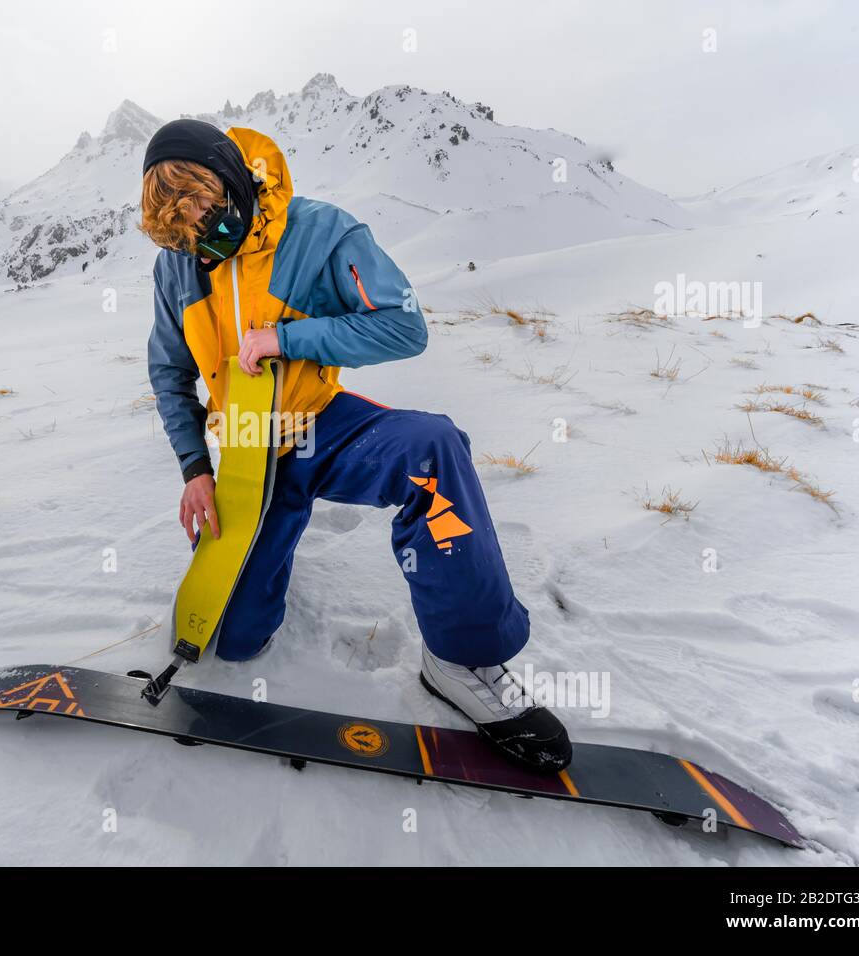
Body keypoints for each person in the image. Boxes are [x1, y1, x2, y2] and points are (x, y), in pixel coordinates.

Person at [140, 119, 570, 772]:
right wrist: (196, 470)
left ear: (229, 179)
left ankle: (463, 658)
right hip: (251, 456)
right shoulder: (175, 267)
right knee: (232, 643)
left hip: (324, 425)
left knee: (432, 448)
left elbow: (404, 326)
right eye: (183, 230)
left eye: (208, 211)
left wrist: (290, 340)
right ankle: (267, 543)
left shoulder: (318, 232)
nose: (200, 238)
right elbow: (169, 371)